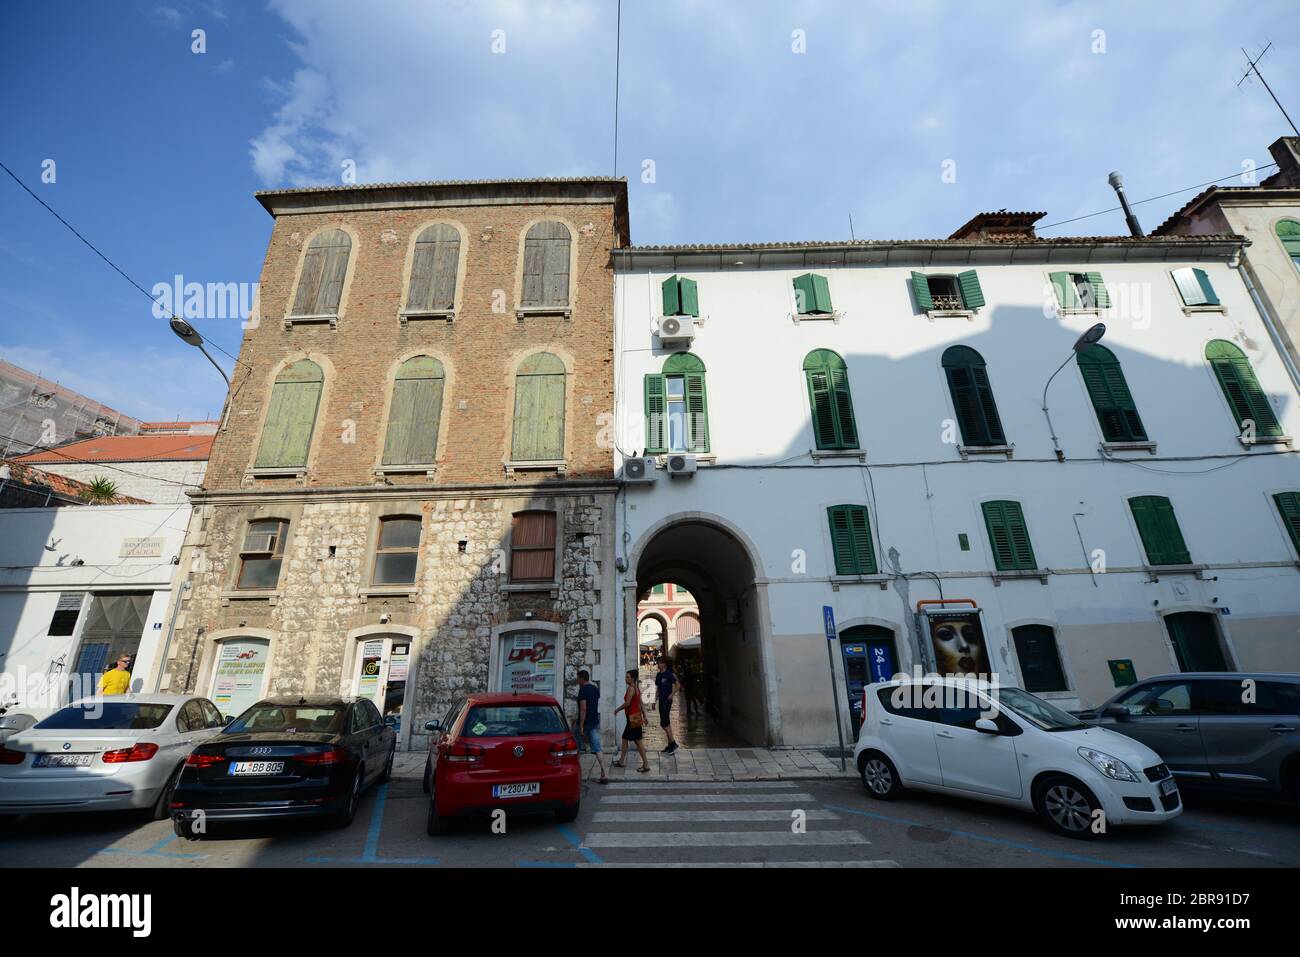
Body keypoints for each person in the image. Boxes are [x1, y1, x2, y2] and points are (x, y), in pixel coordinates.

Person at [612, 669, 650, 773]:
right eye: (626, 676)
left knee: (638, 742)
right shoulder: (636, 688)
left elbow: (628, 703)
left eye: (628, 677)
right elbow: (641, 703)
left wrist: (617, 709)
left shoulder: (631, 689)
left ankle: (646, 764)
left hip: (633, 718)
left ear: (632, 678)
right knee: (625, 739)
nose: (626, 678)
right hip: (635, 717)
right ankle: (621, 761)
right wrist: (645, 716)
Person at [575, 669, 607, 785]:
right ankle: (604, 773)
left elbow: (583, 709)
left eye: (578, 678)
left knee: (575, 748)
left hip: (585, 722)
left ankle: (575, 773)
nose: (577, 680)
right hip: (594, 721)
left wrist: (581, 726)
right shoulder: (595, 689)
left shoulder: (583, 690)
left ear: (582, 679)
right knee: (597, 748)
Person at [654, 659, 679, 754]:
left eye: (660, 663)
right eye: (658, 663)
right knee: (666, 723)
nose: (658, 664)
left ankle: (673, 743)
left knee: (664, 723)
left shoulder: (669, 674)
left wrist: (671, 694)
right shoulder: (658, 675)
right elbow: (658, 689)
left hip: (667, 701)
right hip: (661, 700)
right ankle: (670, 745)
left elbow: (678, 685)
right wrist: (654, 701)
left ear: (664, 664)